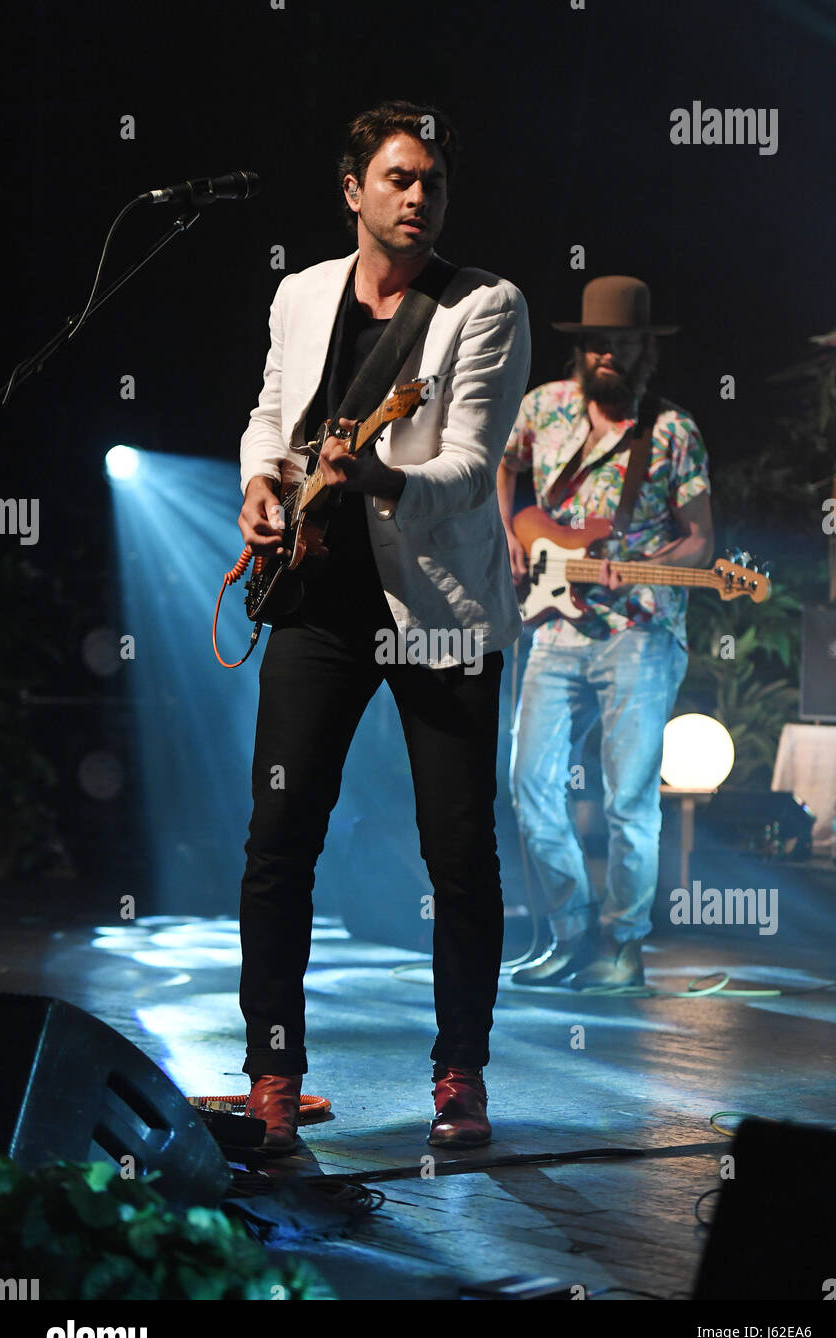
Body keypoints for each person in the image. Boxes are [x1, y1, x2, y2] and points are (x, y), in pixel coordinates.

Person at [236, 100, 531, 1152]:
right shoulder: (301, 291)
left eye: (433, 183)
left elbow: (464, 469)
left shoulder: (483, 306)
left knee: (457, 852)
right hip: (318, 600)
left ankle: (459, 1072)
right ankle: (272, 1073)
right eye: (398, 178)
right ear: (352, 188)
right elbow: (271, 417)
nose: (417, 198)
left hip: (436, 612)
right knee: (278, 842)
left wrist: (370, 474)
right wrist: (261, 488)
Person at [498, 276, 712, 988]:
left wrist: (645, 566)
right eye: (596, 343)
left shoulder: (672, 431)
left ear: (645, 348)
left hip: (639, 632)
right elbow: (505, 465)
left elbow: (700, 542)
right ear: (582, 349)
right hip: (554, 628)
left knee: (628, 800)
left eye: (622, 342)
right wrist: (509, 533)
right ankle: (570, 933)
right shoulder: (543, 409)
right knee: (529, 783)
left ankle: (624, 946)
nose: (608, 354)